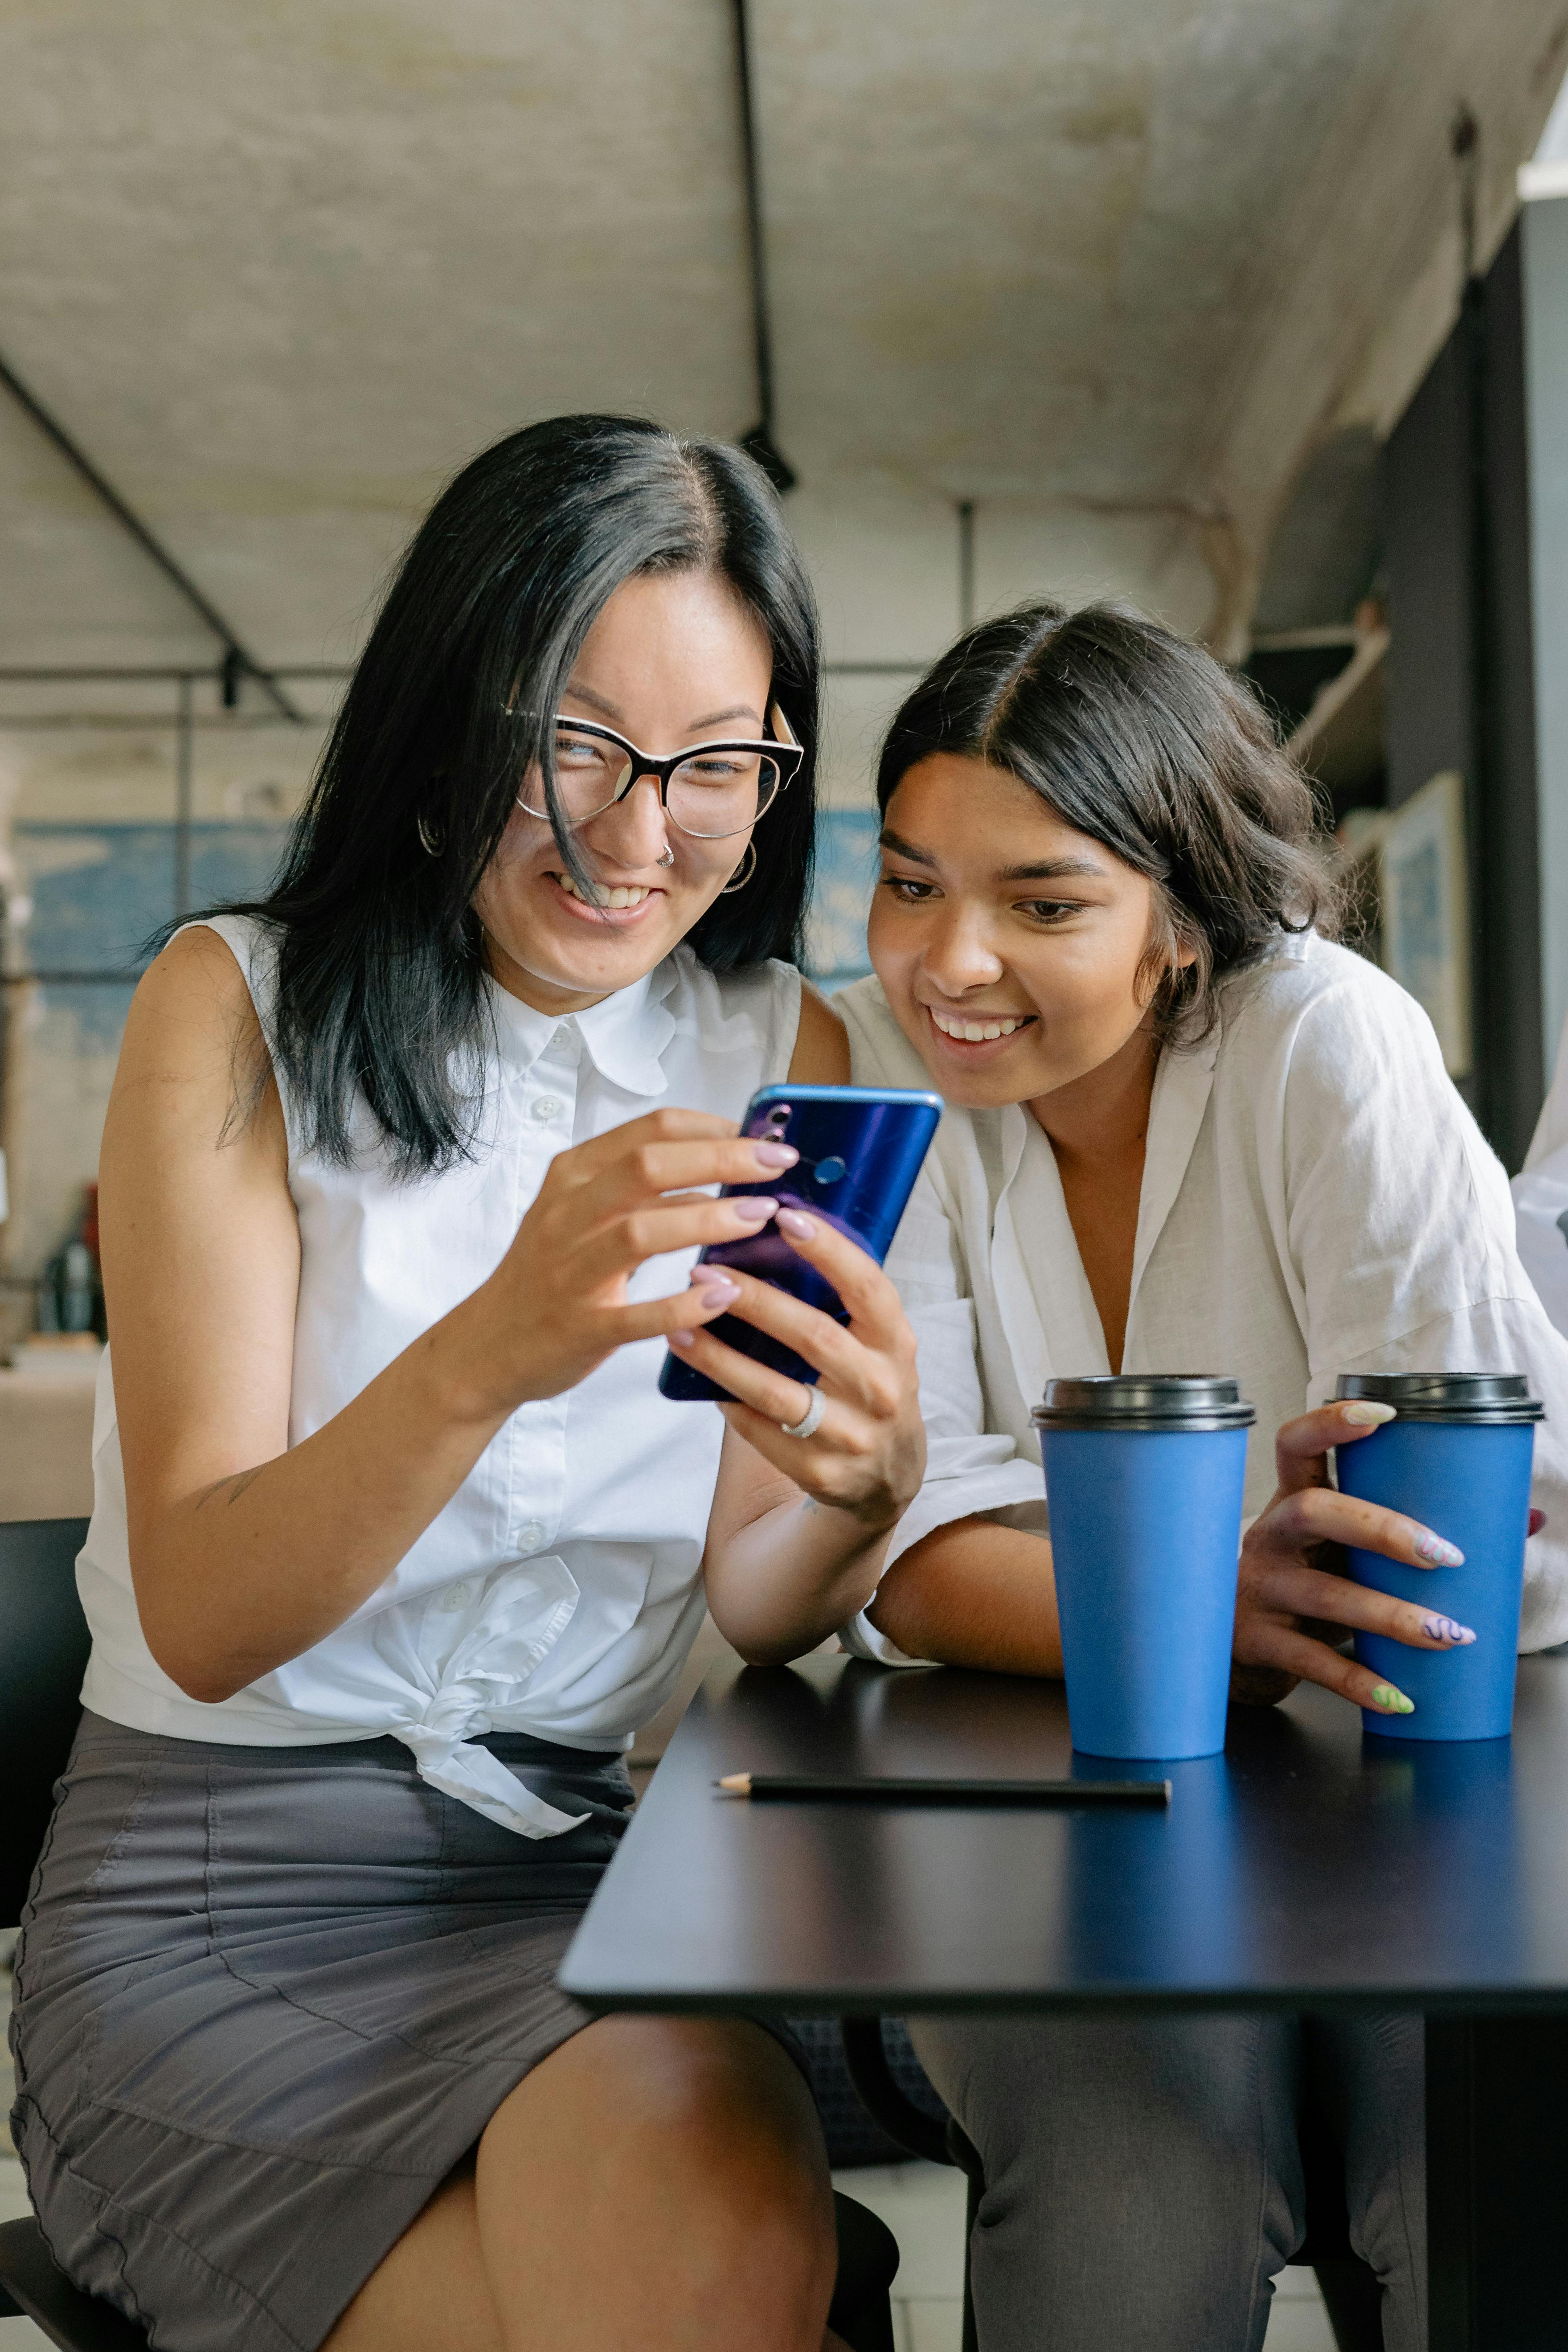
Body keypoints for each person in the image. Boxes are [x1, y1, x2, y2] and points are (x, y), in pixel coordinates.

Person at [10, 415, 928, 2352]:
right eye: (575, 745)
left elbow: (756, 1593)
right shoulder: (233, 1007)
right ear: (451, 713)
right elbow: (209, 1612)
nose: (637, 834)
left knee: (718, 2262)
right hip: (212, 1897)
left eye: (715, 765)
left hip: (579, 1880)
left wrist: (859, 1496)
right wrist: (496, 1343)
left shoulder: (787, 1044)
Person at [834, 600, 1568, 2352]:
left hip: (1416, 1796)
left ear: (1178, 920)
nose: (951, 963)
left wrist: (1116, 1593)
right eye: (911, 884)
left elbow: (1482, 1541)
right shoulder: (879, 1079)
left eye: (1044, 904)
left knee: (1463, 2152)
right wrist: (1216, 1605)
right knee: (1130, 2158)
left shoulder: (1324, 1042)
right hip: (1072, 1817)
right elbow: (904, 1540)